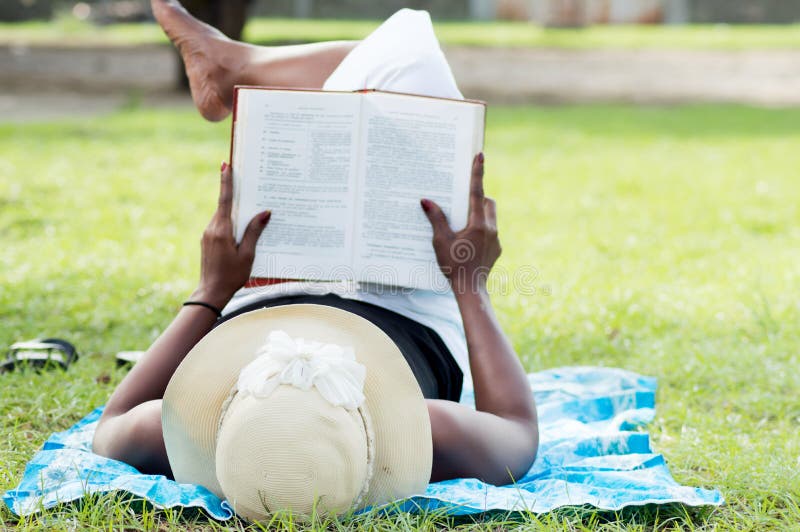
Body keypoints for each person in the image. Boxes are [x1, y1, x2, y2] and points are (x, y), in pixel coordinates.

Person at [92, 0, 538, 516]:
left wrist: (213, 288)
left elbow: (111, 426)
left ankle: (234, 65)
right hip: (404, 298)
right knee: (407, 58)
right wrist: (469, 283)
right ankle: (237, 65)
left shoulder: (174, 432)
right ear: (376, 447)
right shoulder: (425, 428)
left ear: (225, 425)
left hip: (270, 281)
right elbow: (518, 430)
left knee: (391, 70)